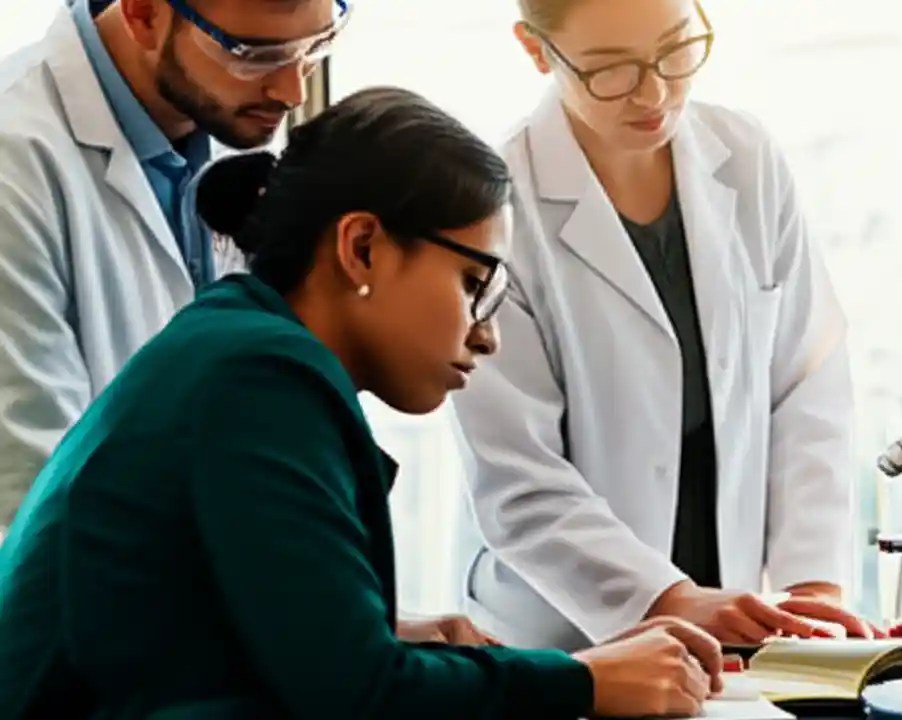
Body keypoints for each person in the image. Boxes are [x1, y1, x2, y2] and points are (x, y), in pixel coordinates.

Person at [0, 86, 725, 719]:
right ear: (363, 248)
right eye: (473, 285)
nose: (488, 336)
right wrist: (581, 682)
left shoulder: (235, 346)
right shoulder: (261, 380)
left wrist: (388, 632)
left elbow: (249, 632)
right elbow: (359, 695)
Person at [451, 0, 873, 651]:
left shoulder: (746, 157)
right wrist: (667, 599)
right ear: (536, 51)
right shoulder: (499, 205)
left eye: (676, 51)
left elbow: (807, 386)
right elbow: (518, 473)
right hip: (569, 623)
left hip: (739, 607)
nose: (654, 92)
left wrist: (811, 585)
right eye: (609, 70)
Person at [0, 0, 346, 530]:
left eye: (317, 45)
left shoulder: (220, 132)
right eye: (254, 55)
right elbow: (35, 502)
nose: (292, 90)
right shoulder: (15, 163)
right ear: (143, 14)